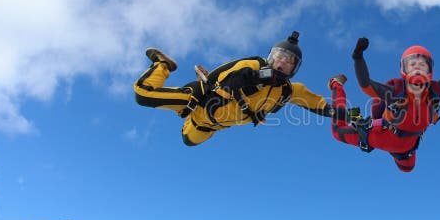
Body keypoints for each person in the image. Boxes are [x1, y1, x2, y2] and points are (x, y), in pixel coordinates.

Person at [134, 31, 347, 146]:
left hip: (211, 126)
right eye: (279, 57)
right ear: (271, 56)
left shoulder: (289, 90)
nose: (281, 63)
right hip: (201, 100)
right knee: (142, 95)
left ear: (294, 68)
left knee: (188, 141)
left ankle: (199, 118)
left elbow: (321, 106)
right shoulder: (253, 65)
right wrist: (254, 77)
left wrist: (351, 115)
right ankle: (163, 64)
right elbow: (225, 75)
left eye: (288, 61)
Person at [328, 33, 440, 172]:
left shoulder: (434, 90)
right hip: (379, 136)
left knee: (407, 170)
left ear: (430, 69)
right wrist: (358, 57)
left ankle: (392, 151)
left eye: (422, 64)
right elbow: (366, 85)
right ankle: (336, 85)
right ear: (404, 69)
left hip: (407, 148)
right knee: (337, 132)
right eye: (412, 63)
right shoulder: (394, 92)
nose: (417, 67)